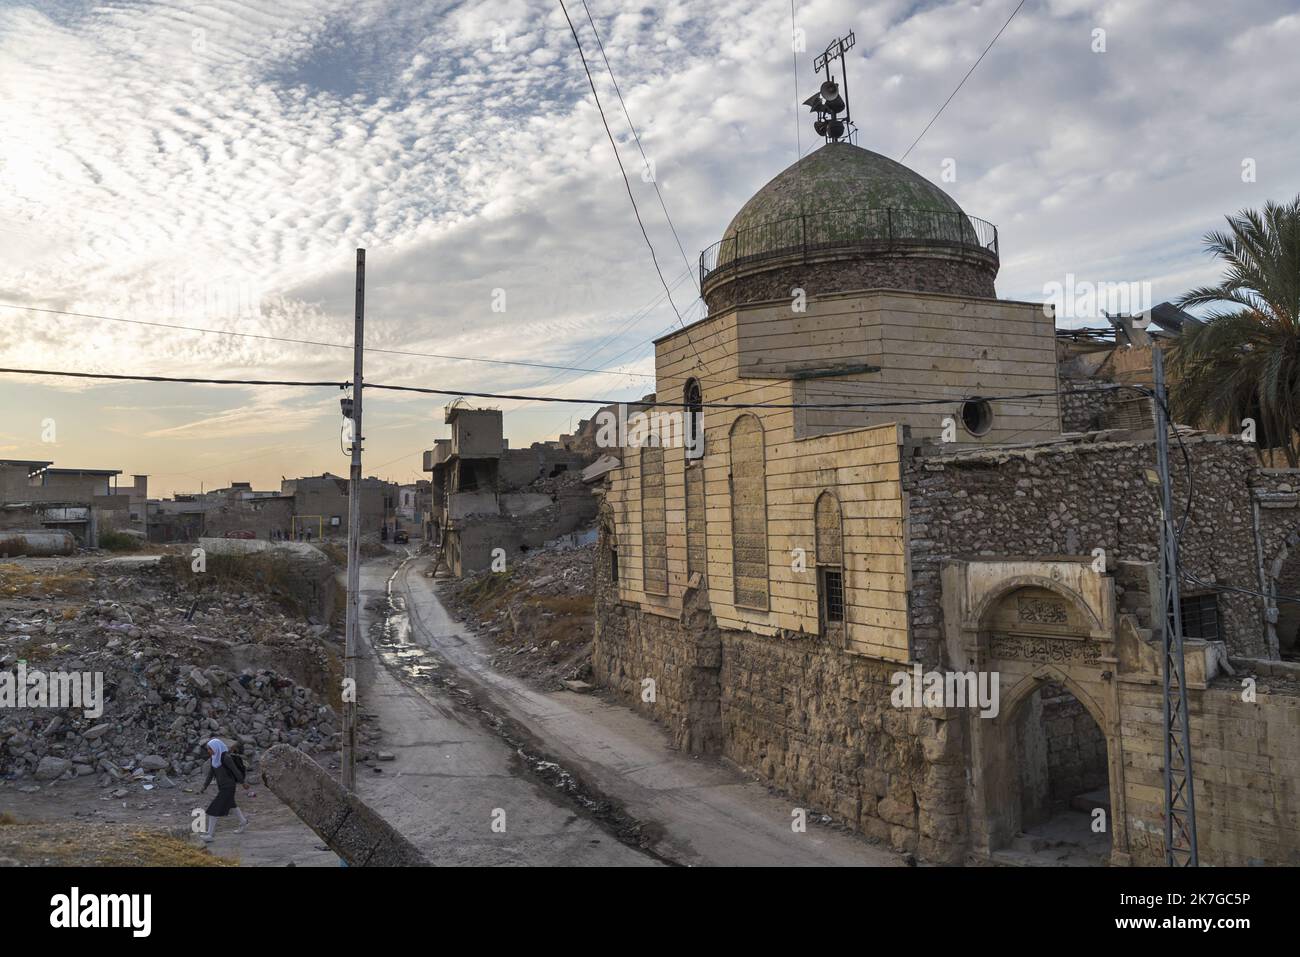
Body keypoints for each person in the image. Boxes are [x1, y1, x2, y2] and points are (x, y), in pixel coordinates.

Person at [199, 738, 248, 842]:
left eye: (210, 749)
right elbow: (211, 774)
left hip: (229, 787)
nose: (208, 751)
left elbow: (235, 771)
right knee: (232, 805)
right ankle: (243, 821)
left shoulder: (226, 758)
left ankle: (210, 835)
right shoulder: (213, 758)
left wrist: (243, 782)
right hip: (222, 787)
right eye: (208, 749)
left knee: (213, 809)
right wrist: (204, 786)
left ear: (216, 748)